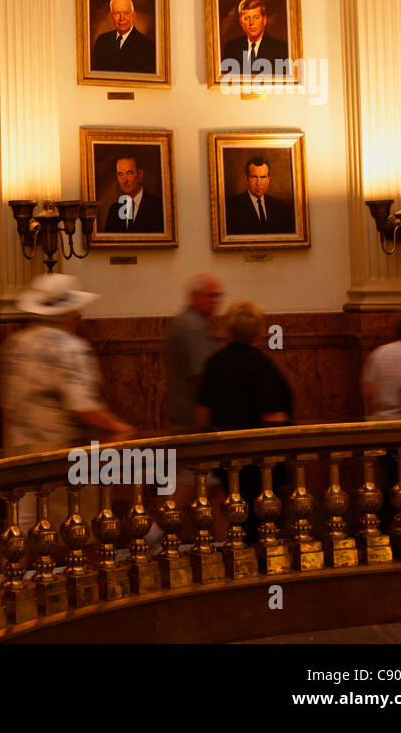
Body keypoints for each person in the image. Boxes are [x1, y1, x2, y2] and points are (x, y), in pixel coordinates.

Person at [0, 273, 134, 528]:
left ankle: (14, 570)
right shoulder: (69, 348)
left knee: (21, 525)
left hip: (19, 451)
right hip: (64, 456)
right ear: (70, 312)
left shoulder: (15, 344)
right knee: (82, 523)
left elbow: (6, 405)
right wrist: (120, 429)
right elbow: (83, 406)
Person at [197, 300, 292, 542]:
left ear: (227, 328)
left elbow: (203, 413)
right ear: (260, 330)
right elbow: (274, 417)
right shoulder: (262, 366)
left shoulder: (214, 363)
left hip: (226, 457)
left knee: (236, 519)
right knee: (263, 524)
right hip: (260, 460)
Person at [165, 274, 223, 433]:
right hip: (194, 417)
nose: (216, 301)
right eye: (211, 296)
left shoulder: (184, 320)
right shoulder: (194, 327)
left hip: (183, 412)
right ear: (195, 297)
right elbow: (200, 377)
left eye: (218, 296)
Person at [224, 156, 295, 235]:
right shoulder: (231, 206)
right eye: (254, 177)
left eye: (263, 177)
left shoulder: (280, 206)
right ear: (246, 179)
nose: (259, 183)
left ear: (268, 179)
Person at [220, 0, 288, 77]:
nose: (251, 22)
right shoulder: (231, 47)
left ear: (264, 20)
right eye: (247, 18)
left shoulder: (281, 48)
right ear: (241, 22)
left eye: (256, 17)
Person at [90, 0, 156, 74]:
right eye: (117, 13)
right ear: (111, 16)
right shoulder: (101, 41)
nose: (122, 18)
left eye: (126, 13)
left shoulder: (148, 45)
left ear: (133, 15)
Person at [101, 155, 163, 232]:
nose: (124, 180)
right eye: (120, 174)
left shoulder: (158, 205)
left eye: (129, 173)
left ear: (140, 174)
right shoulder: (114, 210)